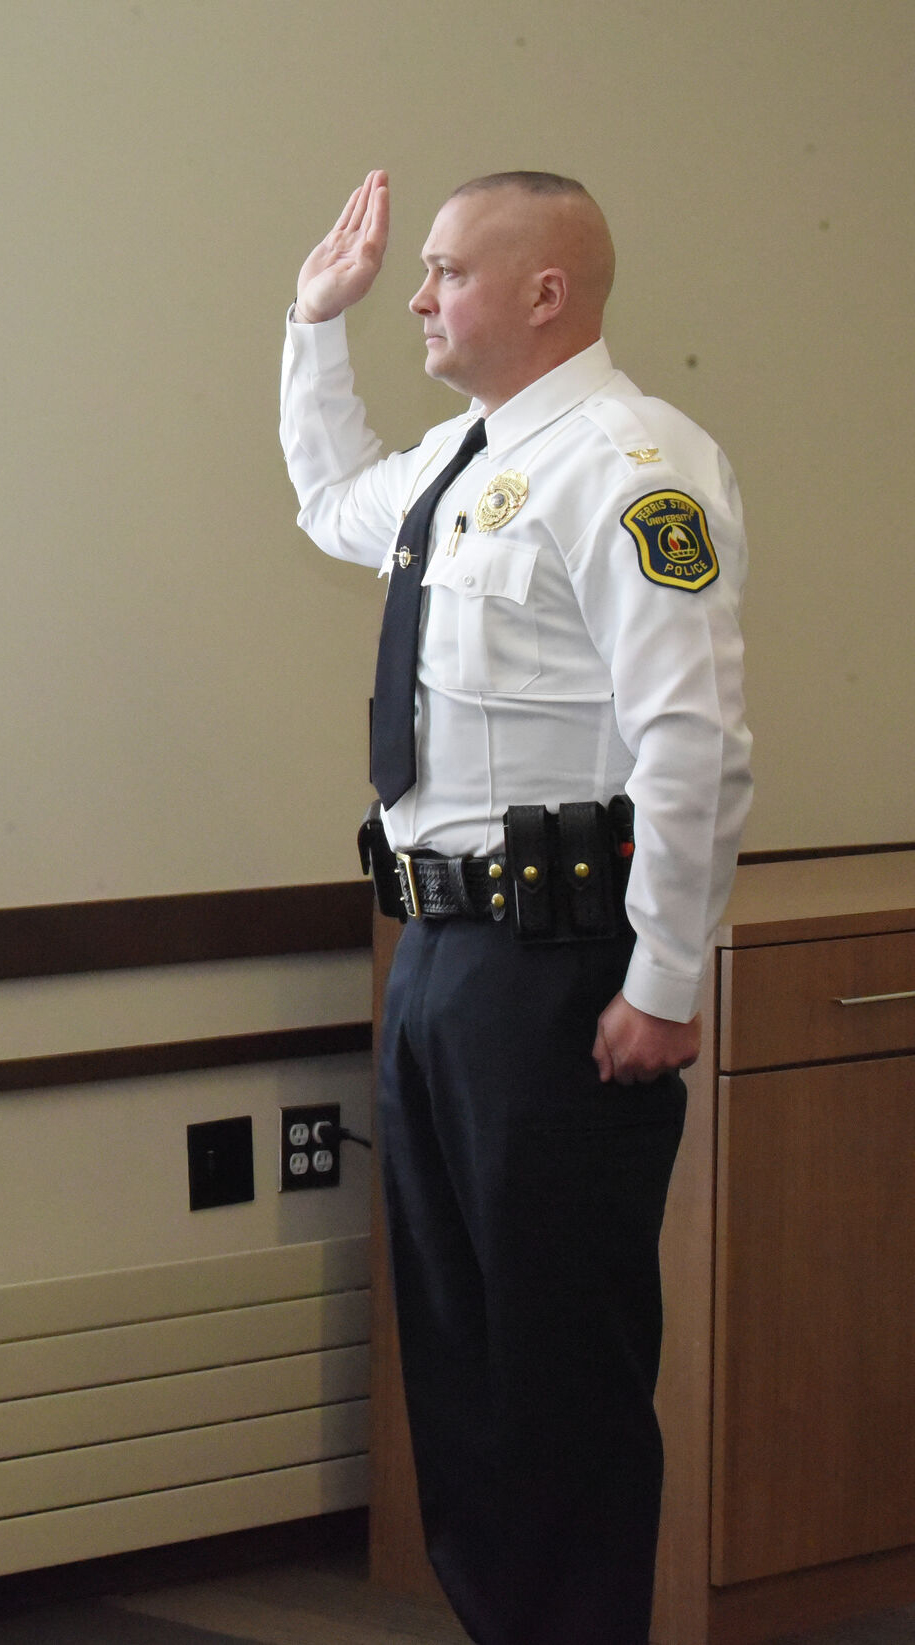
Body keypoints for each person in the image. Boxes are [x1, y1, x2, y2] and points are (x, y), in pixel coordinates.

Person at [278, 170, 751, 1643]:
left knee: (563, 1368)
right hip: (437, 952)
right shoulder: (466, 462)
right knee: (463, 1365)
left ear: (546, 291)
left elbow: (694, 739)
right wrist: (312, 324)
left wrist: (666, 977)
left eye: (444, 272)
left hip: (562, 965)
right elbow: (328, 503)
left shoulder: (635, 464)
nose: (416, 295)